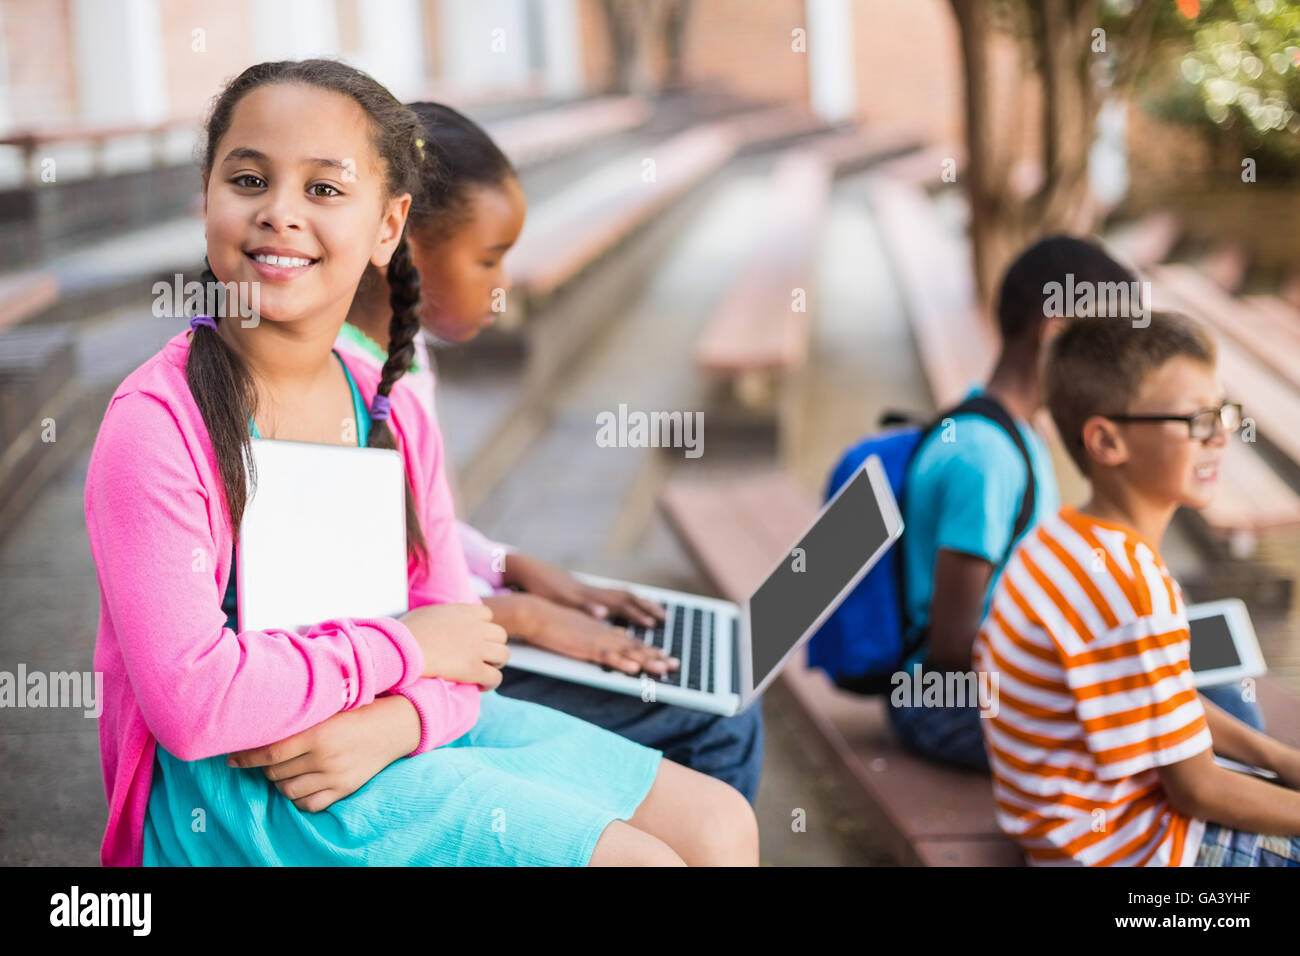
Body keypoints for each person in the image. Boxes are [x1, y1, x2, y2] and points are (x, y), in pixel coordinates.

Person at [85, 58, 757, 867]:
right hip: (252, 788)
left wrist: (398, 720)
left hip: (390, 723)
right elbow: (196, 703)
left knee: (721, 824)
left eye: (324, 190)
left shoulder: (387, 402)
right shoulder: (159, 423)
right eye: (249, 179)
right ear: (207, 199)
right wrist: (407, 651)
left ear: (387, 227)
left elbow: (461, 636)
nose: (279, 214)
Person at [339, 101, 764, 800]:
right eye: (488, 259)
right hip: (424, 669)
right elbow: (365, 607)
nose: (503, 285)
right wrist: (527, 618)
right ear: (403, 246)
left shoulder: (400, 362)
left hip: (467, 623)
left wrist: (510, 566)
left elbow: (417, 536)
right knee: (720, 720)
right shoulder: (337, 393)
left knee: (703, 683)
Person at [973, 311, 1300, 866]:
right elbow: (1197, 791)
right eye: (1197, 418)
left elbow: (1161, 702)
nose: (1221, 433)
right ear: (1107, 440)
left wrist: (1280, 760)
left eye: (1222, 411)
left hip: (1067, 835)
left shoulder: (1061, 536)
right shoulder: (1131, 584)